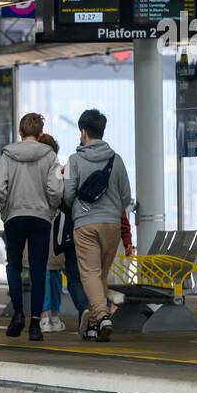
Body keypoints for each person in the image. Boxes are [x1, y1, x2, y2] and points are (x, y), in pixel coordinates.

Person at [63, 108, 133, 341]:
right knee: (100, 275)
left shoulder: (74, 160)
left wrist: (79, 209)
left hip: (85, 225)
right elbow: (126, 198)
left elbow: (67, 194)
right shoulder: (117, 159)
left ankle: (102, 316)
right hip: (112, 225)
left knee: (90, 274)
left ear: (83, 132)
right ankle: (93, 326)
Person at [0, 113, 63, 341]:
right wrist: (50, 210)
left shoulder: (7, 154)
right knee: (38, 269)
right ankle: (35, 325)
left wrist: (4, 210)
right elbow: (55, 189)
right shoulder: (50, 156)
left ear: (20, 132)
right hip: (41, 218)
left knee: (13, 265)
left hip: (14, 217)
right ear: (40, 133)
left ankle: (18, 312)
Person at [35, 133, 68, 333]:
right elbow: (61, 194)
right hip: (57, 225)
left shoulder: (33, 169)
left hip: (38, 220)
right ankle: (54, 315)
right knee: (54, 271)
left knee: (44, 271)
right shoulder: (59, 168)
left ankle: (44, 315)